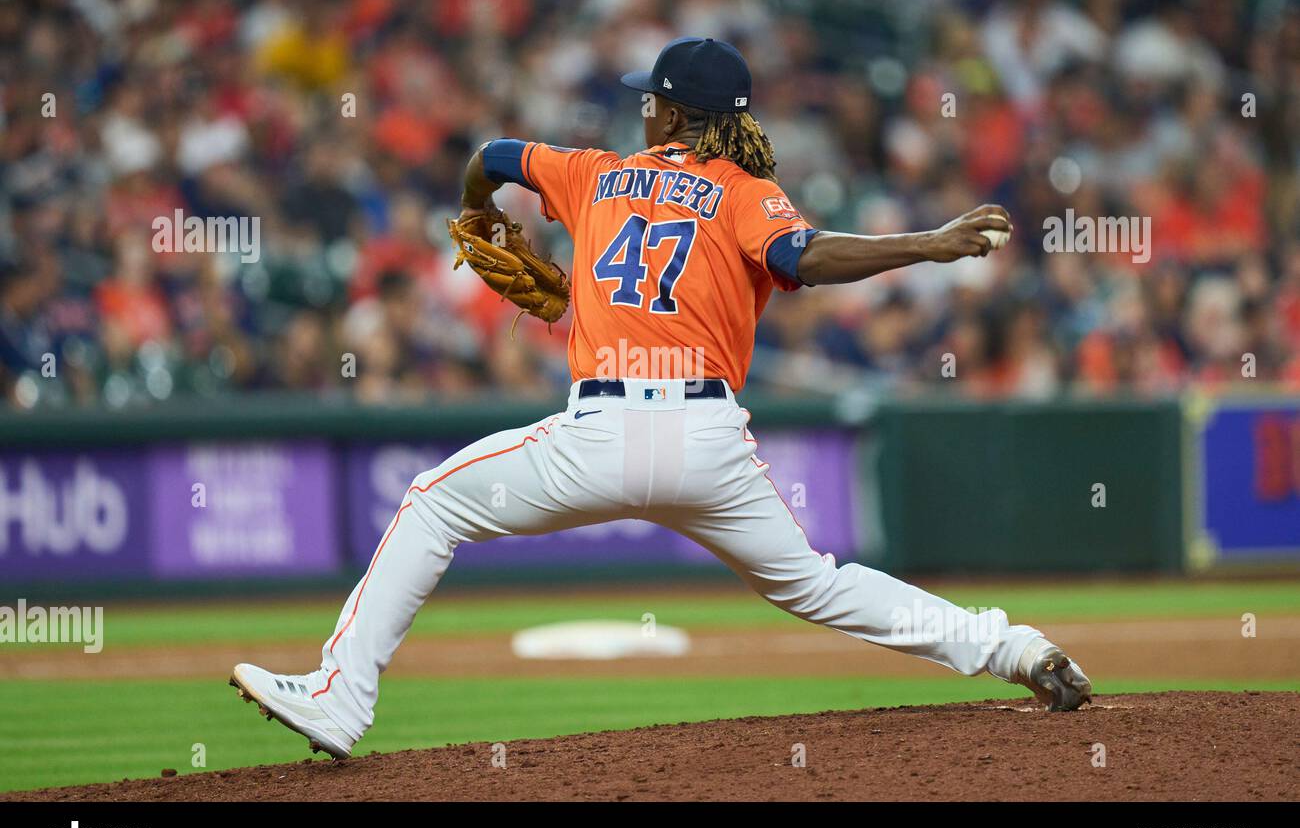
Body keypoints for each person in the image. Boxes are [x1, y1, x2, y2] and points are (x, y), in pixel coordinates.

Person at [230, 38, 1090, 758]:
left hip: (597, 435)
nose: (643, 108)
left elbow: (488, 157)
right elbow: (806, 257)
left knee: (431, 504)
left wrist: (478, 211)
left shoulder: (593, 173)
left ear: (677, 115)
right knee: (819, 586)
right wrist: (928, 244)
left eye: (654, 100)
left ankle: (342, 700)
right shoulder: (748, 195)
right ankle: (1010, 647)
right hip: (708, 442)